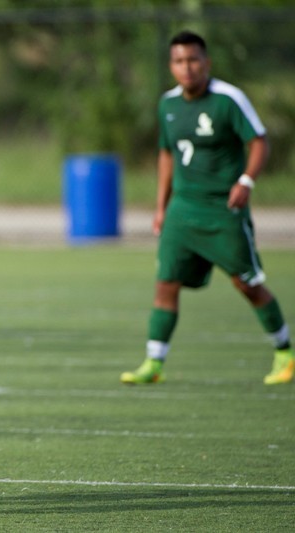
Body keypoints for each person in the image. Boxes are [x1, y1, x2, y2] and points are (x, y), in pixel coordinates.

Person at [120, 30, 293, 386]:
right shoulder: (168, 104)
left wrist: (246, 181)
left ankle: (285, 351)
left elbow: (258, 141)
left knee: (247, 285)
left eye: (193, 60)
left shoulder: (228, 99)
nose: (187, 68)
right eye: (180, 61)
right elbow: (167, 154)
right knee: (166, 283)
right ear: (172, 66)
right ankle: (154, 363)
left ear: (206, 62)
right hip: (182, 211)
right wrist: (161, 206)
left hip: (222, 210)